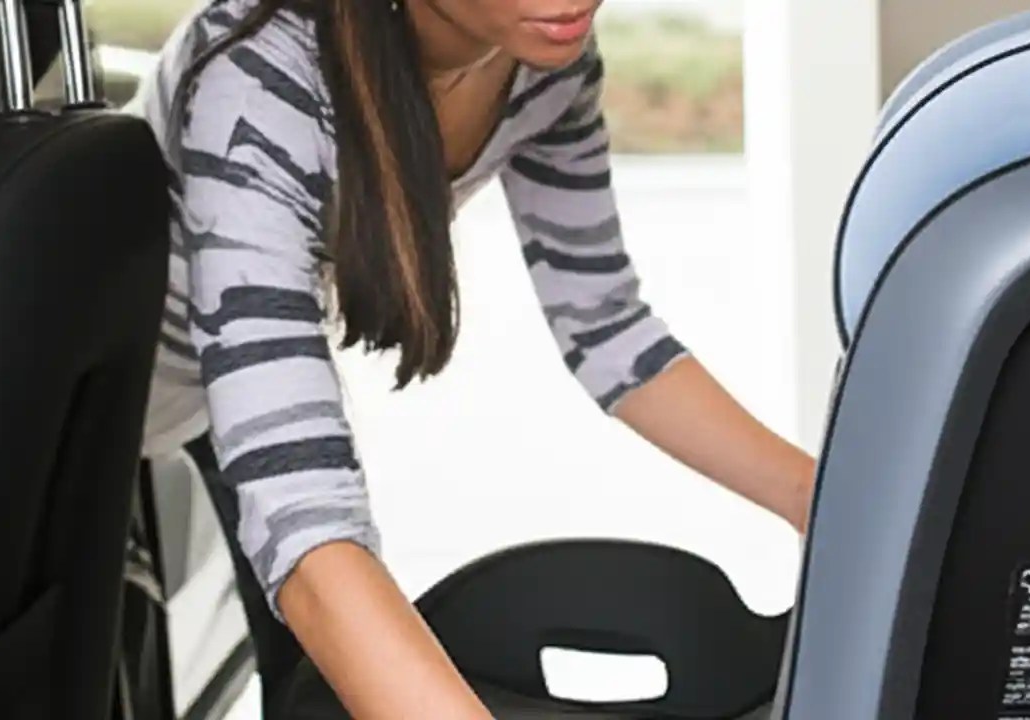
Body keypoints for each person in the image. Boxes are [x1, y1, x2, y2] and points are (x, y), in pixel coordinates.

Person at [127, 0, 817, 715]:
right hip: (86, 415)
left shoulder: (543, 61)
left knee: (316, 675)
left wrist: (821, 499)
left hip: (219, 394)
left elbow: (607, 326)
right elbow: (303, 523)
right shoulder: (258, 78)